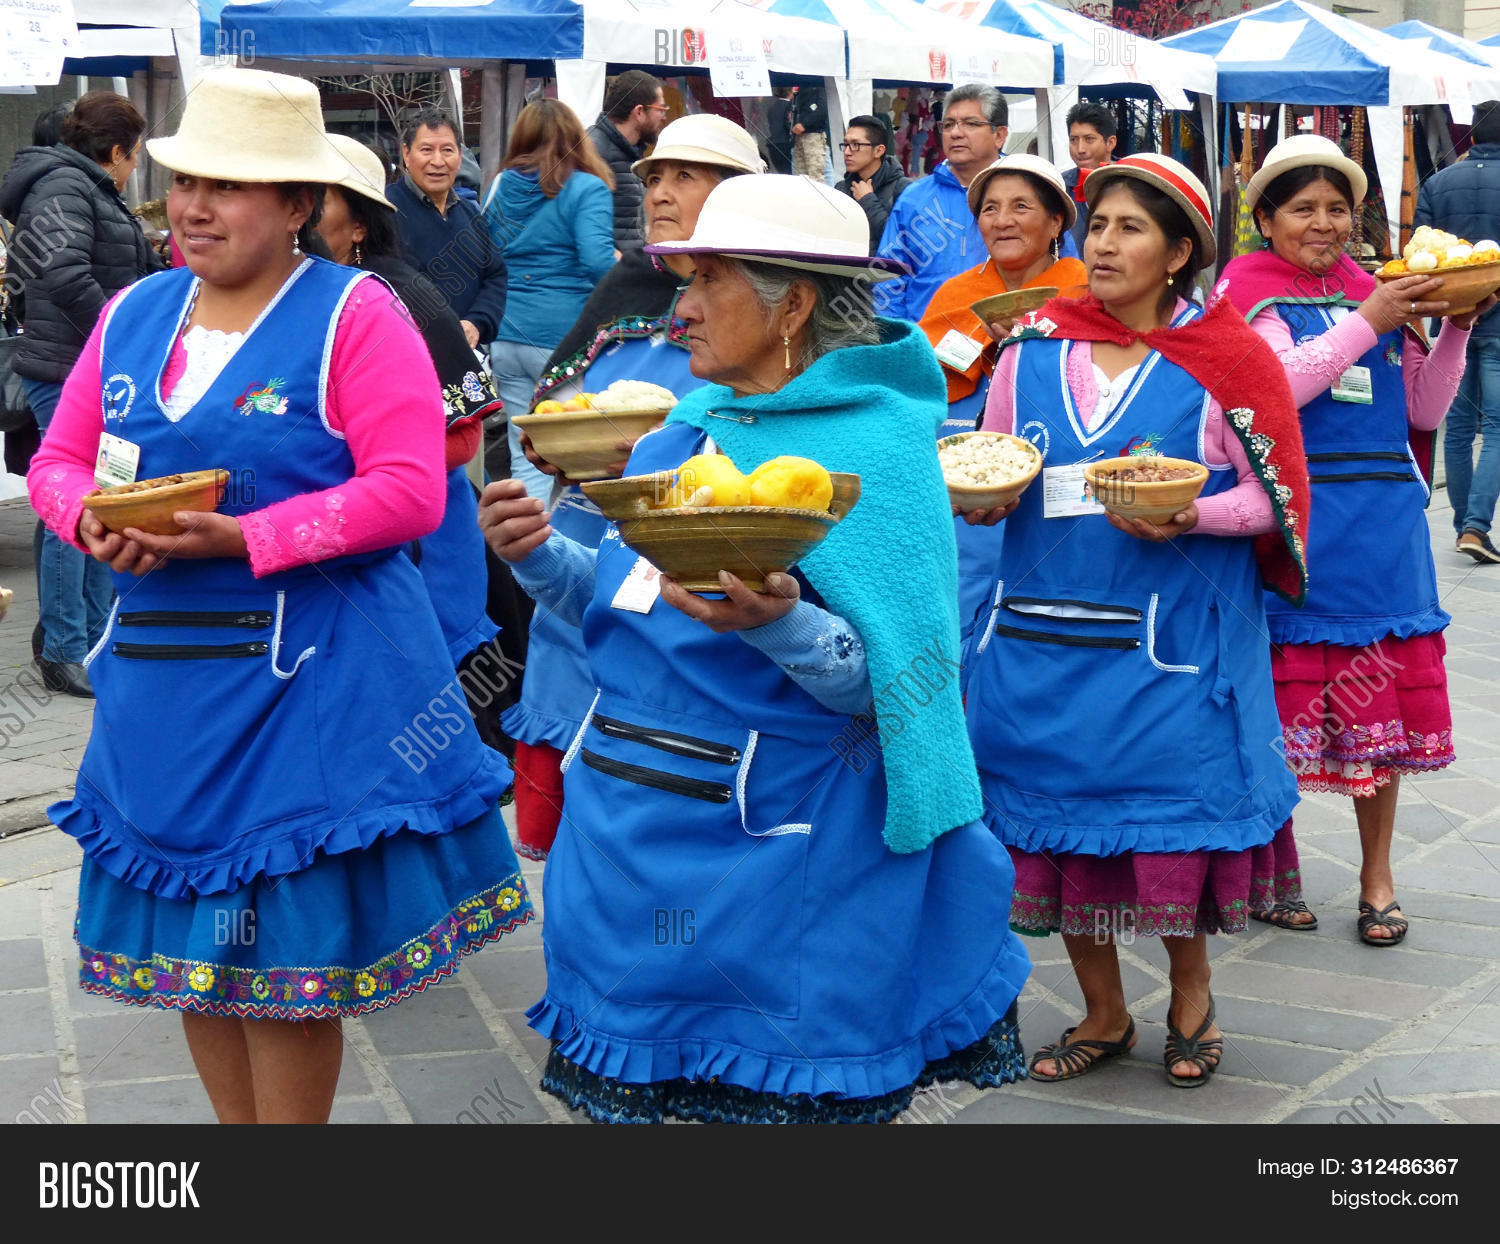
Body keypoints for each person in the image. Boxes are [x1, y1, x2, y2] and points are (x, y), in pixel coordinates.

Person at [25, 68, 532, 1124]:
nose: (198, 205)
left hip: (305, 680)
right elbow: (59, 460)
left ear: (300, 203)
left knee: (279, 958)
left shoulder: (357, 314)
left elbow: (405, 488)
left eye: (232, 184)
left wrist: (248, 533)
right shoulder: (131, 315)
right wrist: (90, 521)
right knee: (189, 942)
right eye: (188, 180)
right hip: (163, 685)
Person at [478, 174, 1032, 1123]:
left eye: (707, 284)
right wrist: (540, 561)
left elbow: (896, 685)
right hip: (625, 833)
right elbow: (630, 600)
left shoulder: (881, 451)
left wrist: (780, 623)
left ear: (795, 306)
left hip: (782, 854)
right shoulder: (682, 430)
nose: (678, 310)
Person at [967, 154, 1311, 1086]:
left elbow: (1272, 504)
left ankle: (1191, 997)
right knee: (1058, 838)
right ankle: (1105, 1012)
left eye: (1131, 229)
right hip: (1039, 645)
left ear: (1178, 253)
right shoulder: (1033, 349)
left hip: (1168, 656)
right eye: (1099, 226)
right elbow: (996, 457)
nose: (1105, 245)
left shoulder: (1228, 361)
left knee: (1165, 837)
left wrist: (1190, 513)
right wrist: (983, 497)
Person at [1218, 134, 1483, 945]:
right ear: (1265, 218)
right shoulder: (1247, 293)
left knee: (1383, 714)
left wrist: (1458, 332)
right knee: (1279, 709)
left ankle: (1377, 878)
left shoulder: (1380, 289)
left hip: (1385, 528)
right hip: (1298, 522)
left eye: (1338, 209)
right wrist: (1368, 323)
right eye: (1303, 209)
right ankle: (1277, 869)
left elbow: (1425, 413)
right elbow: (1274, 392)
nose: (1325, 225)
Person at [505, 114, 764, 864]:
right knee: (571, 858)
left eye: (686, 176)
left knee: (666, 842)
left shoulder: (769, 327)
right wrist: (552, 448)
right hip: (578, 586)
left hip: (690, 607)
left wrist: (658, 467)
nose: (659, 192)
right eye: (652, 176)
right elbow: (557, 410)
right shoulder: (624, 289)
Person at [317, 133, 526, 755]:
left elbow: (462, 436)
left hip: (416, 538)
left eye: (311, 198)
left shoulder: (399, 294)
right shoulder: (287, 296)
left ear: (358, 224)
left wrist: (368, 472)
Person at [0, 90, 163, 698]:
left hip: (88, 370)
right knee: (77, 509)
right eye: (135, 155)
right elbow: (64, 273)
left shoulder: (91, 190)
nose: (134, 167)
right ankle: (67, 647)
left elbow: (133, 266)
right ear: (116, 151)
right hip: (67, 370)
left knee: (94, 502)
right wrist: (120, 339)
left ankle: (93, 635)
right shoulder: (64, 187)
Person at [917, 154, 1087, 645]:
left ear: (1056, 220)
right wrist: (983, 337)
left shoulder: (1086, 291)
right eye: (989, 209)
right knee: (955, 619)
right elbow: (926, 380)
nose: (1002, 220)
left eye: (1020, 206)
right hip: (965, 485)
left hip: (1055, 474)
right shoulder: (956, 294)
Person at [481, 99, 617, 497]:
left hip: (507, 333)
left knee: (525, 454)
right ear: (576, 137)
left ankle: (521, 546)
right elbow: (596, 261)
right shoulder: (587, 187)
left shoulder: (499, 185)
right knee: (576, 456)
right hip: (561, 339)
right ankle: (553, 549)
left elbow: (486, 255)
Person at [877, 84, 1077, 322]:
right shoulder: (914, 199)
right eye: (949, 124)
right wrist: (902, 342)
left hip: (1018, 341)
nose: (956, 133)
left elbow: (1065, 271)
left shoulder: (1034, 188)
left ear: (1000, 135)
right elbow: (887, 278)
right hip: (930, 345)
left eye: (971, 124)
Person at [1414, 100, 1500, 563]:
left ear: (1470, 137)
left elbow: (1416, 256)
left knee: (1461, 427)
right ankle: (1476, 527)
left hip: (1453, 323)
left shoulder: (1437, 182)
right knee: (1499, 427)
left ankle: (1465, 526)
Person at [386, 108, 507, 353]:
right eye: (426, 150)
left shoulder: (470, 214)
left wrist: (476, 322)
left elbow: (495, 275)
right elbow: (396, 290)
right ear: (407, 154)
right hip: (411, 354)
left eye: (447, 150)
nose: (438, 162)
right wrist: (448, 329)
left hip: (468, 353)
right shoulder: (387, 211)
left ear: (460, 157)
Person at [588, 70, 669, 252]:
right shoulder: (593, 150)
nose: (664, 117)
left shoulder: (631, 151)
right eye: (661, 109)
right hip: (608, 275)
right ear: (639, 112)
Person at [835, 114, 913, 253]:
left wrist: (868, 201)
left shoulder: (903, 189)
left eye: (855, 145)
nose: (847, 152)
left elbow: (904, 241)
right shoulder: (841, 188)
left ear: (879, 150)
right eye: (846, 144)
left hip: (884, 272)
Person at [1062, 101, 1117, 255]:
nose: (1080, 149)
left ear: (1110, 143)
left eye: (1089, 139)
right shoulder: (1060, 187)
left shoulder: (1131, 183)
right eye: (1073, 140)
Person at [791, 82, 832, 184]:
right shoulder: (801, 89)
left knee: (816, 174)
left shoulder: (819, 86)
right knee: (800, 175)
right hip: (800, 135)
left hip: (814, 135)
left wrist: (804, 124)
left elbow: (822, 110)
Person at [766, 86, 795, 175]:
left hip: (773, 144)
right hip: (786, 144)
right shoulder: (791, 106)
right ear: (790, 91)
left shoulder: (771, 108)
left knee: (783, 173)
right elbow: (789, 125)